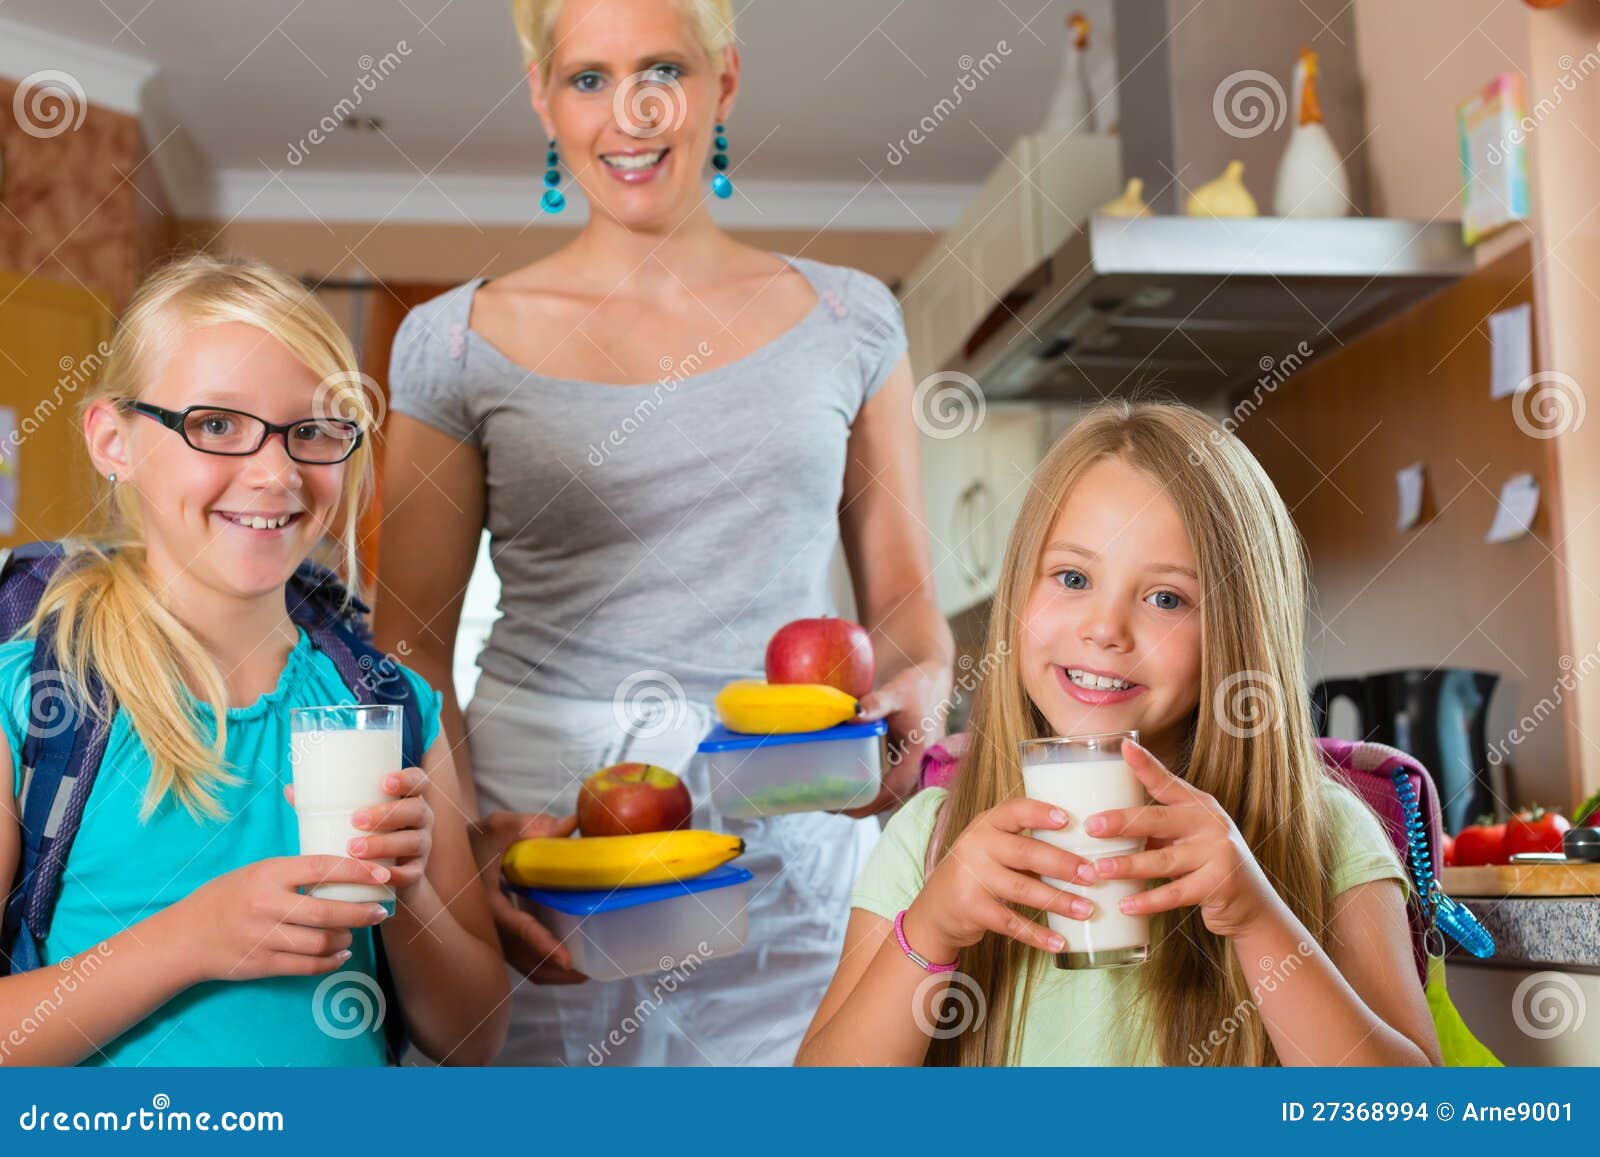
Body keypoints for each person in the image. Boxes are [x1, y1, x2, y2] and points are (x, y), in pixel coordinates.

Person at [376, 0, 953, 1065]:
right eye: (587, 78)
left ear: (724, 80)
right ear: (542, 97)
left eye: (663, 70)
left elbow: (907, 603)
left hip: (782, 814)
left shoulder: (850, 321)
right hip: (542, 844)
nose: (627, 112)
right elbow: (409, 643)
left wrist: (914, 696)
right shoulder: (450, 344)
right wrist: (461, 856)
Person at [798, 401, 1443, 1066]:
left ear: (1239, 630)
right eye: (1073, 577)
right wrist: (928, 932)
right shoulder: (933, 839)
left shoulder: (1326, 834)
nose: (1105, 628)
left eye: (1166, 597)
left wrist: (1257, 920)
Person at [0, 255, 506, 1066]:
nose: (275, 473)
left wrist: (404, 892)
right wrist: (189, 940)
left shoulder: (392, 706)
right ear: (112, 439)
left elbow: (475, 1037)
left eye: (310, 431)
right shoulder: (36, 703)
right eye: (217, 424)